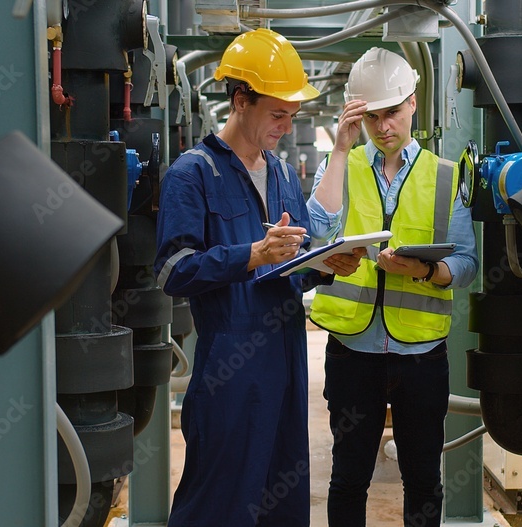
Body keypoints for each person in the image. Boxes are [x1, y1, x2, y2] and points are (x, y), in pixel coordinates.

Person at [155, 28, 363, 527]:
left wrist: (324, 263)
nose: (286, 128)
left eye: (292, 116)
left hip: (287, 354)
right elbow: (173, 271)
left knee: (283, 500)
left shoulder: (285, 174)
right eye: (277, 114)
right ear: (240, 100)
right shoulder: (192, 174)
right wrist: (249, 256)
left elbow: (290, 265)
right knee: (220, 500)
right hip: (231, 363)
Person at [307, 47, 479, 527]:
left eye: (393, 113)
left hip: (421, 356)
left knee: (423, 478)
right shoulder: (339, 166)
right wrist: (340, 149)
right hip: (351, 350)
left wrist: (422, 272)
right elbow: (315, 231)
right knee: (348, 477)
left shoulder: (446, 177)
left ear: (413, 105)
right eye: (373, 117)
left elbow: (466, 264)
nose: (384, 127)